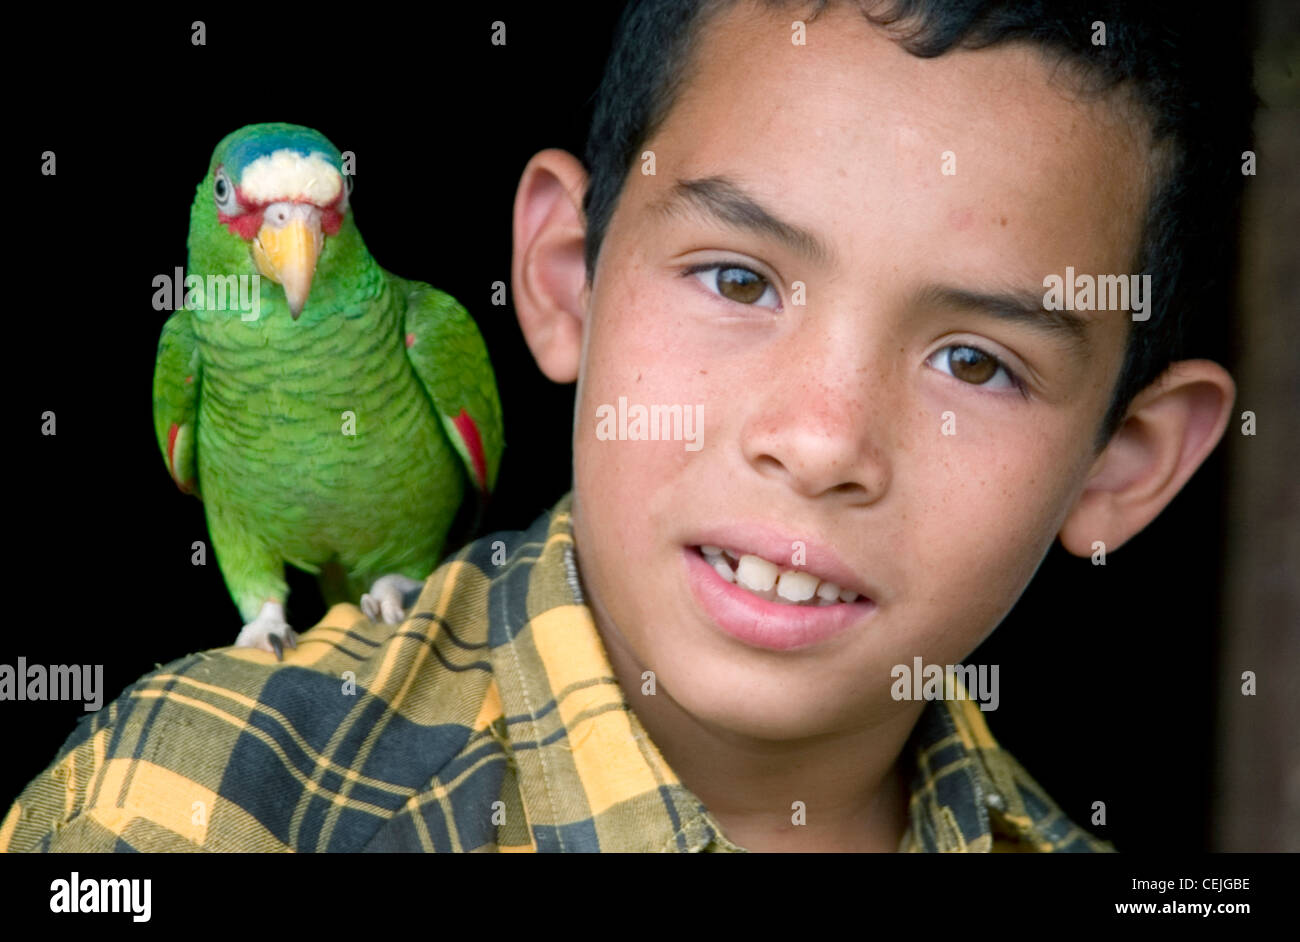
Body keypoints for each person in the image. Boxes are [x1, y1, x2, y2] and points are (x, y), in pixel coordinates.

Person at [2, 0, 1250, 852]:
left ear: (1125, 468)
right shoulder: (172, 805)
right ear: (562, 280)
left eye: (975, 361)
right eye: (738, 281)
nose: (817, 444)